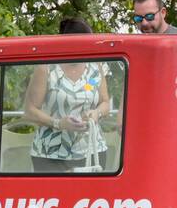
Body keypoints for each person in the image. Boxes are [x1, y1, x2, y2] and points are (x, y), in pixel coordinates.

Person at [22, 28, 112, 173]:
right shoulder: (46, 68)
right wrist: (58, 123)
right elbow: (29, 111)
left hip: (92, 151)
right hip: (50, 154)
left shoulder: (96, 68)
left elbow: (105, 103)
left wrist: (96, 113)